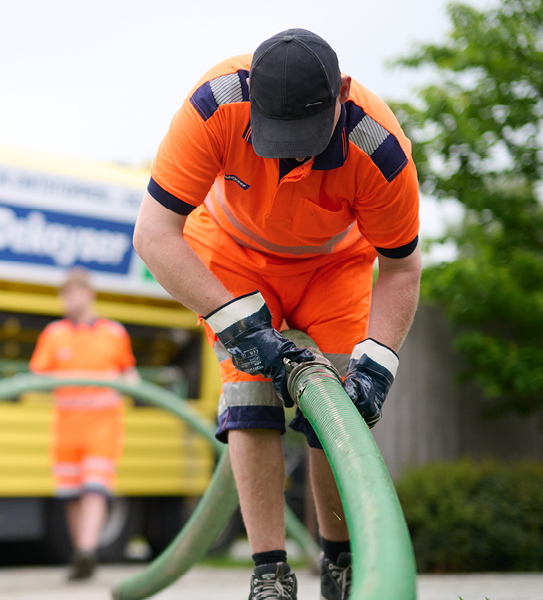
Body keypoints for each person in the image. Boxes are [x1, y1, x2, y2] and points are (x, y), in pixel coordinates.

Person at [132, 29, 422, 600]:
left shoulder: (378, 148)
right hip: (234, 256)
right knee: (249, 398)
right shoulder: (216, 105)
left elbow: (402, 269)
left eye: (305, 138)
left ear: (340, 95)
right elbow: (154, 235)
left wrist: (377, 366)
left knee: (336, 407)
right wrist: (238, 326)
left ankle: (338, 563)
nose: (291, 153)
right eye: (278, 138)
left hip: (332, 267)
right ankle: (269, 573)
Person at [29, 267, 139, 581]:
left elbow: (130, 374)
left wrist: (123, 382)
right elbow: (38, 375)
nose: (66, 299)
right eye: (63, 294)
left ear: (88, 294)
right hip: (66, 428)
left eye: (71, 292)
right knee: (70, 496)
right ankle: (81, 552)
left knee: (95, 488)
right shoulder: (54, 334)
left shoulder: (113, 333)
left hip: (103, 427)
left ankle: (87, 550)